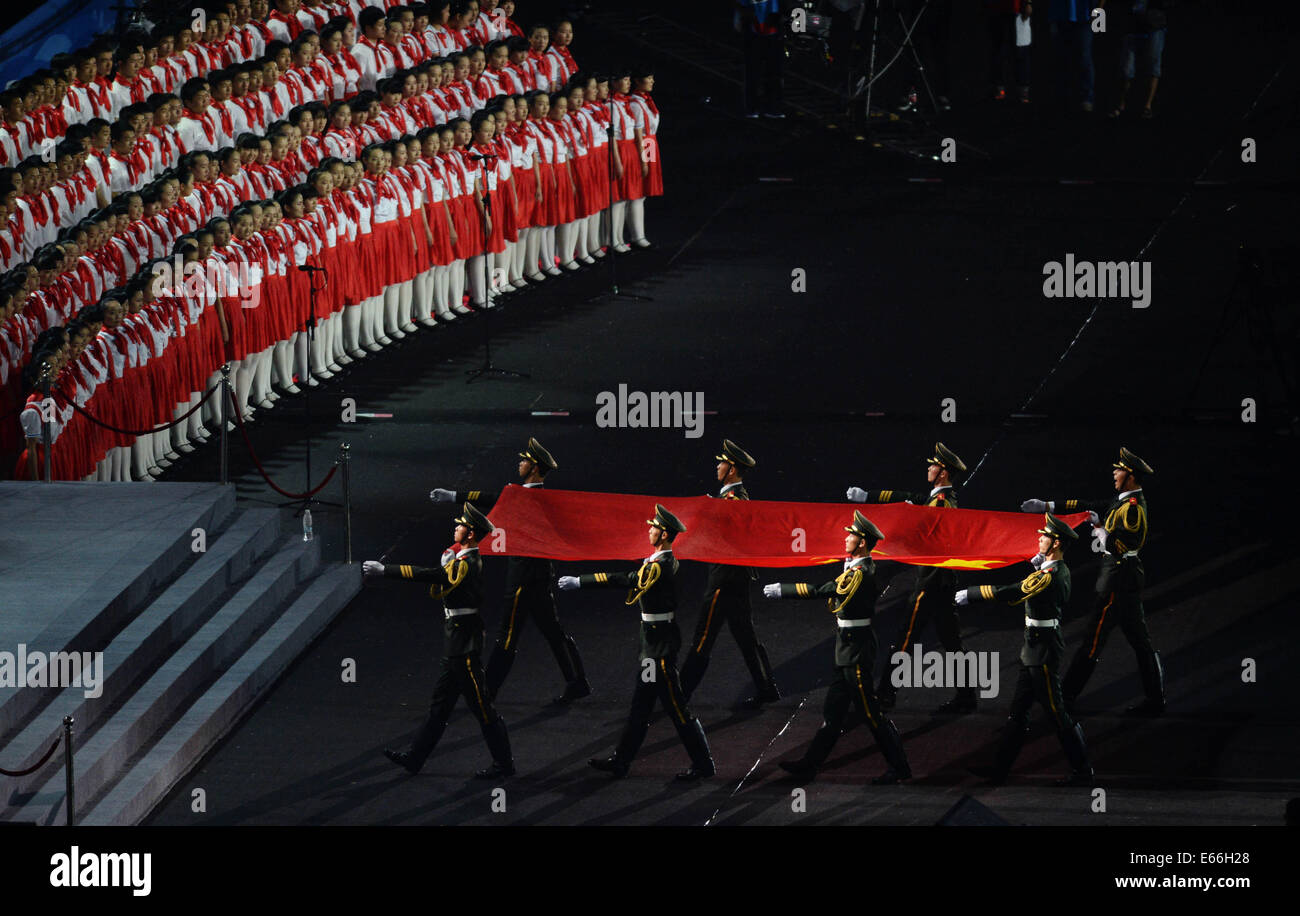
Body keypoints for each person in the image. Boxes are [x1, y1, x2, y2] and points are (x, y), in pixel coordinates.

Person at [558, 504, 716, 781]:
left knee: (678, 708)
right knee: (640, 706)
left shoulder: (660, 567)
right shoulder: (657, 562)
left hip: (660, 649)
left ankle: (704, 764)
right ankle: (621, 760)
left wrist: (581, 582)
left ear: (664, 534)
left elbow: (625, 580)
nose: (649, 530)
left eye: (654, 527)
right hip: (650, 646)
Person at [429, 437, 592, 705]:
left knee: (507, 636)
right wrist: (454, 496)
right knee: (553, 631)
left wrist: (454, 496)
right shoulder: (537, 497)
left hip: (523, 579)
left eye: (525, 461)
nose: (520, 463)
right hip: (538, 576)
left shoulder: (525, 497)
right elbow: (496, 499)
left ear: (535, 468)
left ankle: (487, 692)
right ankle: (578, 681)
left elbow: (494, 499)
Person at [364, 501, 516, 779]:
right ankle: (415, 758)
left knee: (482, 707)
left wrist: (385, 570)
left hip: (464, 642)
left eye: (461, 525)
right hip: (456, 639)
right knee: (440, 705)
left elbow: (433, 576)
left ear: (471, 533)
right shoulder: (461, 559)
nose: (456, 528)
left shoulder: (468, 563)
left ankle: (504, 763)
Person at [763, 510, 912, 784]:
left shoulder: (861, 573)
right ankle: (811, 763)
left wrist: (785, 590)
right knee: (833, 714)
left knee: (871, 714)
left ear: (863, 542)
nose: (846, 539)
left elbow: (827, 590)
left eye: (852, 535)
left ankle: (900, 767)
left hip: (856, 650)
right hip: (847, 650)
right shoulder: (855, 568)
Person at [1023, 447, 1163, 716]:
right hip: (1126, 581)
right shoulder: (1123, 500)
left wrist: (1100, 530)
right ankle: (1156, 700)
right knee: (1140, 642)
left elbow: (1123, 544)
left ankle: (1066, 698)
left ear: (1131, 476)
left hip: (1117, 582)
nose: (1114, 472)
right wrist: (1048, 506)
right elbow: (1090, 505)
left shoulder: (1133, 509)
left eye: (1119, 470)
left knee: (1092, 642)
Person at [957, 513, 1095, 786]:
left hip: (1041, 651)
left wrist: (972, 594)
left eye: (1044, 536)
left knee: (1057, 713)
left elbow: (1013, 591)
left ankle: (1082, 771)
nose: (1039, 539)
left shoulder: (1050, 574)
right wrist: (1038, 569)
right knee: (1018, 714)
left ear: (1055, 543)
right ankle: (1000, 769)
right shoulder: (1054, 570)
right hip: (1034, 649)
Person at [847, 442, 975, 713]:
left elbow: (937, 534)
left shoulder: (942, 502)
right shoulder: (935, 498)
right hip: (941, 582)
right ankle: (967, 697)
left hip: (931, 582)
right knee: (952, 642)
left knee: (905, 639)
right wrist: (867, 496)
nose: (929, 468)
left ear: (943, 473)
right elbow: (904, 496)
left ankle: (885, 694)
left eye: (933, 465)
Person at [679, 439, 780, 708]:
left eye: (722, 463)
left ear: (732, 470)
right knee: (745, 636)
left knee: (704, 636)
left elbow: (733, 534)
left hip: (724, 578)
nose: (717, 466)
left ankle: (680, 694)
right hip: (737, 577)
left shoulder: (734, 499)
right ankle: (766, 687)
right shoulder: (730, 499)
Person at [1107, 1, 1168, 119]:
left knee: (1152, 67)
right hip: (1132, 27)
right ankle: (1120, 105)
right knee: (1126, 69)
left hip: (1154, 25)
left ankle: (1147, 106)